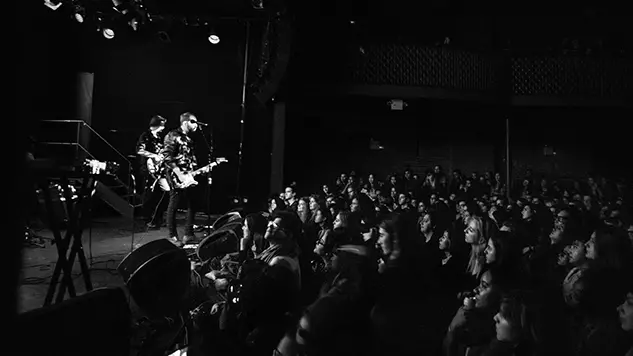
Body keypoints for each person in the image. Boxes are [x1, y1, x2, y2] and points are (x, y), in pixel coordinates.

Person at [162, 112, 205, 246]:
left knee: (193, 202)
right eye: (193, 122)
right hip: (176, 174)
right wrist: (179, 174)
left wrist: (197, 171)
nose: (196, 125)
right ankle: (172, 236)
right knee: (174, 202)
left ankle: (188, 234)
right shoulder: (172, 135)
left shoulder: (189, 139)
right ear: (185, 122)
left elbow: (189, 159)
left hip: (188, 175)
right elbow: (167, 157)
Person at [135, 115, 168, 228]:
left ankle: (157, 218)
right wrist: (154, 156)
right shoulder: (145, 136)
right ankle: (147, 218)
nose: (163, 128)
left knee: (160, 193)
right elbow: (139, 150)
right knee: (149, 193)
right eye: (162, 125)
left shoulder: (158, 137)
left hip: (158, 168)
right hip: (147, 168)